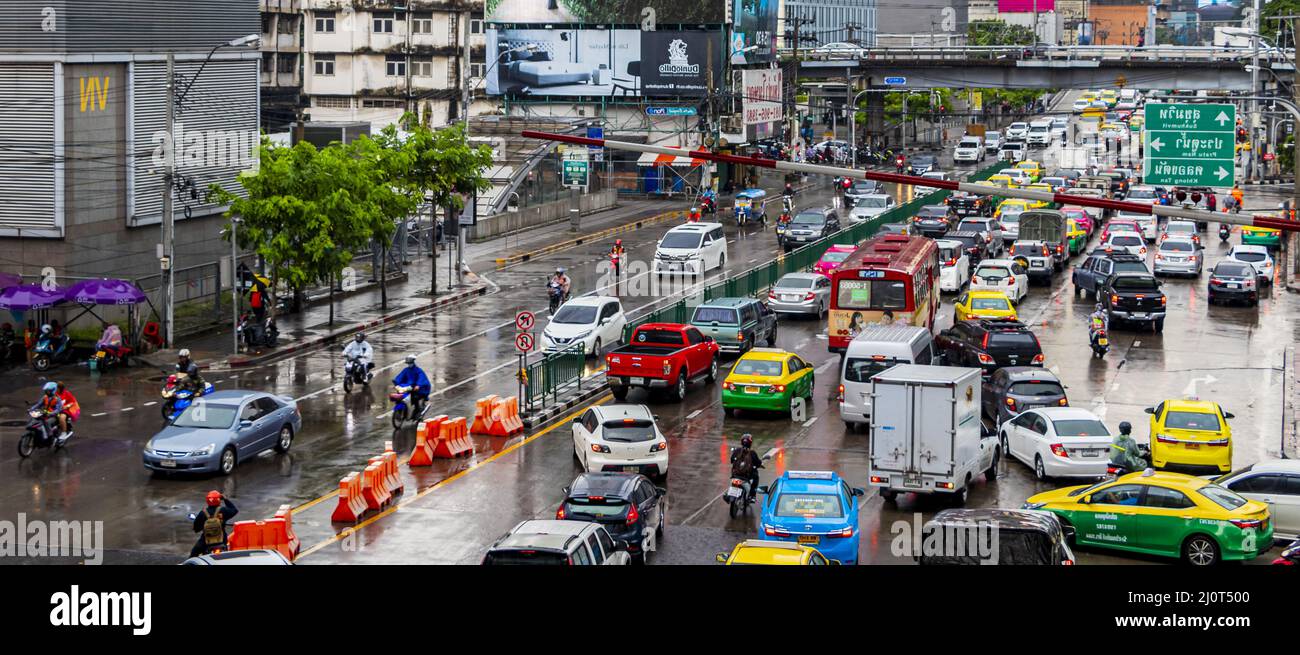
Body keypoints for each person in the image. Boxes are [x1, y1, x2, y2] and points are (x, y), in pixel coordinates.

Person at [190, 490, 239, 558]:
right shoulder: (223, 510)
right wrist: (225, 499)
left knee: (193, 554)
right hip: (221, 541)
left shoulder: (203, 513)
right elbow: (234, 510)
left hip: (205, 542)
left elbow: (196, 528)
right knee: (226, 556)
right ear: (219, 500)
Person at [729, 434, 763, 501]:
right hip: (746, 476)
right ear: (750, 443)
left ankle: (729, 495)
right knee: (756, 477)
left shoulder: (737, 450)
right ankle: (752, 496)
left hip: (735, 475)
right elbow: (758, 463)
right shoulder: (752, 453)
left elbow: (731, 460)